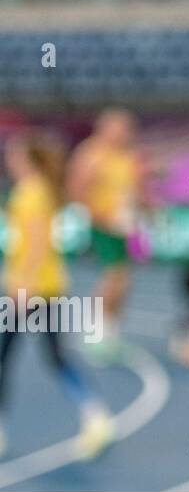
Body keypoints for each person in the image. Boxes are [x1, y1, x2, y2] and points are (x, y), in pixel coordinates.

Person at [0, 134, 114, 459]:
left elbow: (36, 242)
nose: (10, 161)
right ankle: (94, 413)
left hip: (32, 291)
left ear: (28, 160)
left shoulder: (30, 194)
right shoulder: (41, 191)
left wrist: (24, 285)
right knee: (52, 356)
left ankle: (94, 414)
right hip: (46, 288)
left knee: (15, 356)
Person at [66, 109, 142, 364]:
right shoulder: (92, 154)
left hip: (123, 224)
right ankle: (95, 332)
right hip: (103, 223)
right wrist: (97, 214)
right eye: (120, 128)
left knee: (123, 280)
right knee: (114, 276)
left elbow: (133, 188)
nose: (125, 133)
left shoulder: (126, 155)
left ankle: (109, 332)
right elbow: (77, 189)